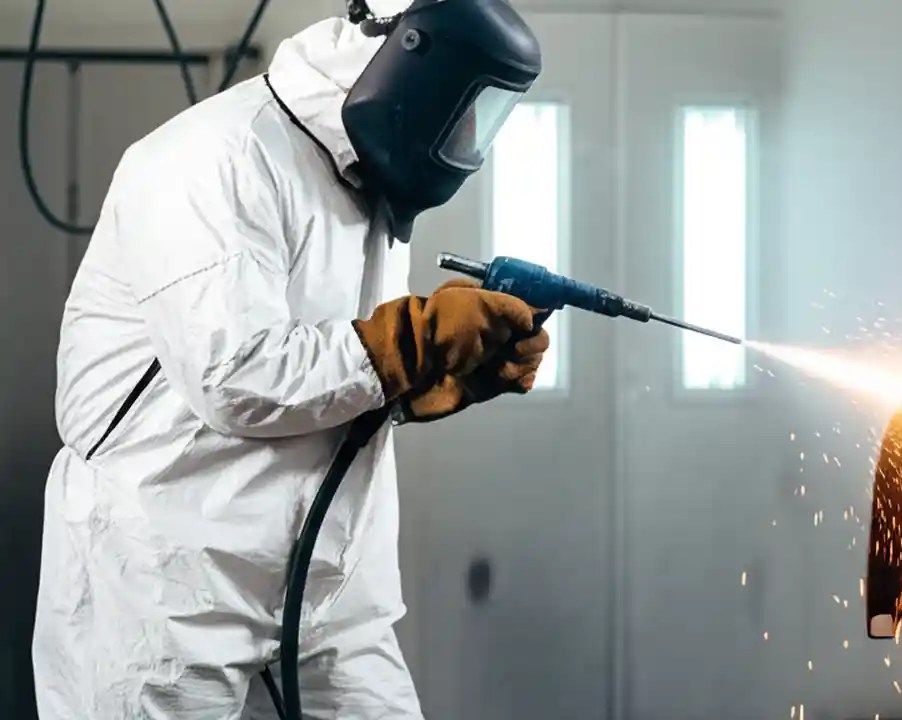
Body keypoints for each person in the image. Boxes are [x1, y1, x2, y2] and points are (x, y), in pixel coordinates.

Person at [31, 1, 543, 717]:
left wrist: (422, 379)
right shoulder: (215, 156)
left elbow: (329, 364)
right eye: (465, 101)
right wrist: (406, 344)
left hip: (327, 579)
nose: (465, 134)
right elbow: (235, 374)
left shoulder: (364, 181)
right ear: (411, 56)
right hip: (167, 579)